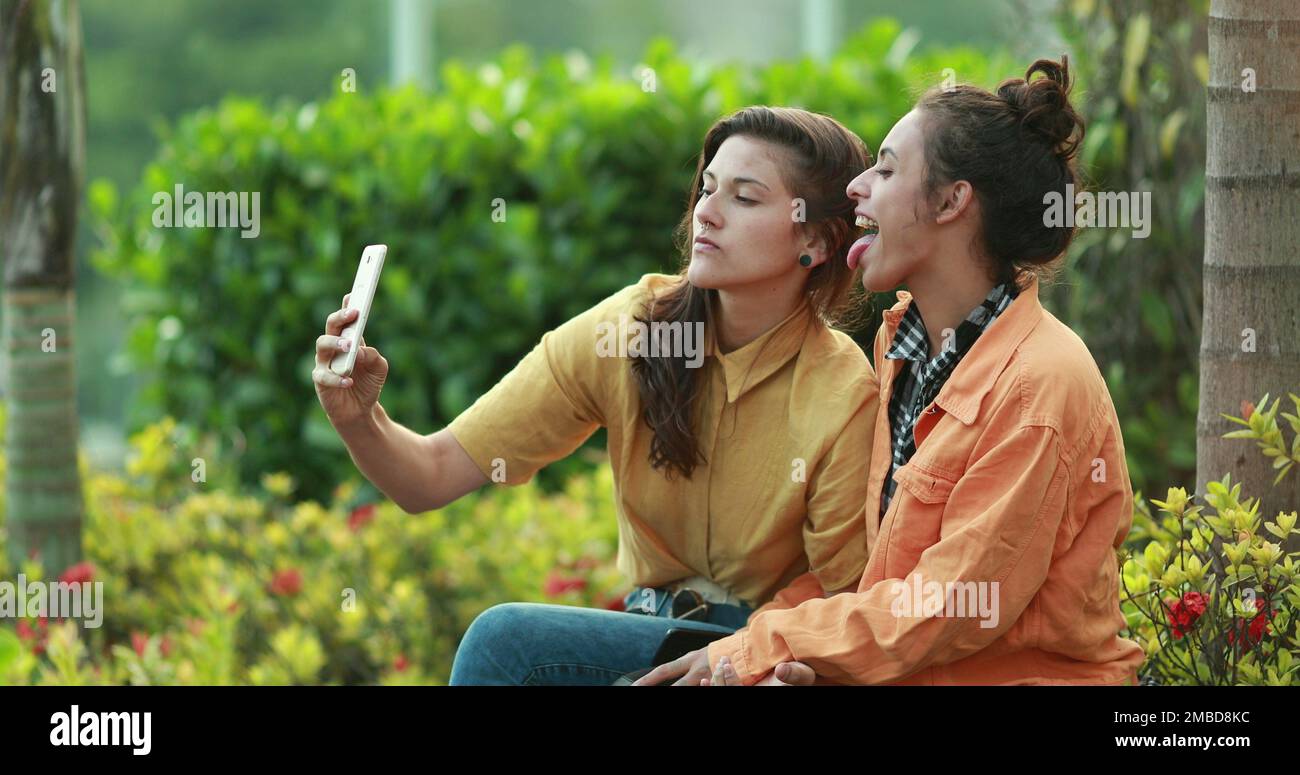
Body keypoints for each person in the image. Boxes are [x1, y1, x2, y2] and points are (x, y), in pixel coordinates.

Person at [312, 106, 881, 685]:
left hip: (763, 656)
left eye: (744, 197)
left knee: (507, 643)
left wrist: (746, 655)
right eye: (707, 188)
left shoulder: (843, 394)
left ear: (815, 238)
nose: (706, 213)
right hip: (646, 639)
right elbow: (429, 476)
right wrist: (360, 419)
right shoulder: (629, 331)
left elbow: (847, 595)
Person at [637, 57, 1146, 686]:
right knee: (523, 644)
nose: (856, 187)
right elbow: (873, 576)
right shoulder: (903, 348)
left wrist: (755, 649)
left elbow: (942, 609)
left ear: (952, 201)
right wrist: (761, 649)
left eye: (885, 167)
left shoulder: (1040, 383)